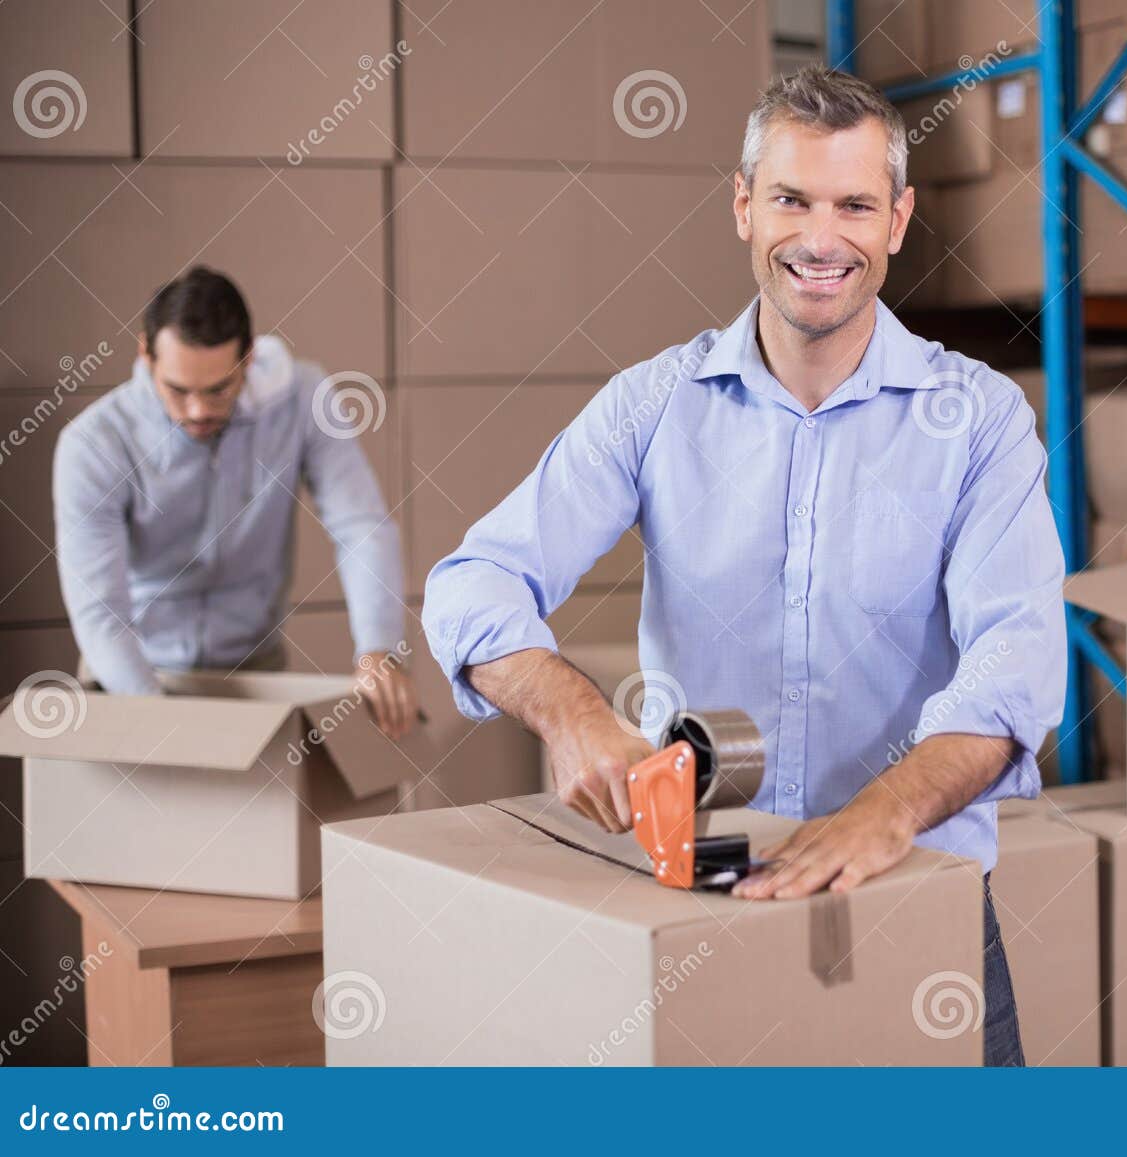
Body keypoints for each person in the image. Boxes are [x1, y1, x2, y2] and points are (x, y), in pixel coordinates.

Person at [422, 65, 1065, 1065]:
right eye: (790, 199)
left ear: (897, 220)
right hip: (707, 908)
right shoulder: (653, 406)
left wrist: (882, 813)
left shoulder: (978, 420)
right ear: (742, 207)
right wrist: (572, 714)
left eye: (854, 205)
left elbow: (1014, 664)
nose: (820, 237)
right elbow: (473, 582)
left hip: (914, 898)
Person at [53, 266, 417, 737]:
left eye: (218, 389)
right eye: (178, 390)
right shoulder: (93, 443)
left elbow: (360, 525)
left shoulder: (304, 398)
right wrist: (160, 728)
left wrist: (379, 646)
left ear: (248, 358)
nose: (198, 410)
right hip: (132, 675)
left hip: (255, 674)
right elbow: (100, 609)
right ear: (145, 355)